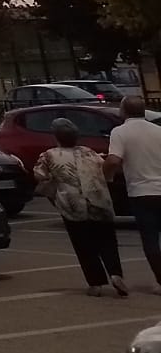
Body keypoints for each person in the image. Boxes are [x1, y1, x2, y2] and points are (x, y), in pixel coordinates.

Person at [35, 117, 127, 297]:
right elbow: (104, 168)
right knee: (108, 241)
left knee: (83, 245)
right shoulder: (89, 152)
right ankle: (115, 273)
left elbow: (39, 175)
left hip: (72, 205)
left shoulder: (49, 155)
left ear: (56, 137)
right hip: (99, 200)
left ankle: (96, 283)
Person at [108, 94, 161, 293]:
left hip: (141, 192)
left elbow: (114, 160)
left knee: (150, 239)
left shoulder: (120, 132)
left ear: (124, 111)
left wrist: (106, 176)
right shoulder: (158, 130)